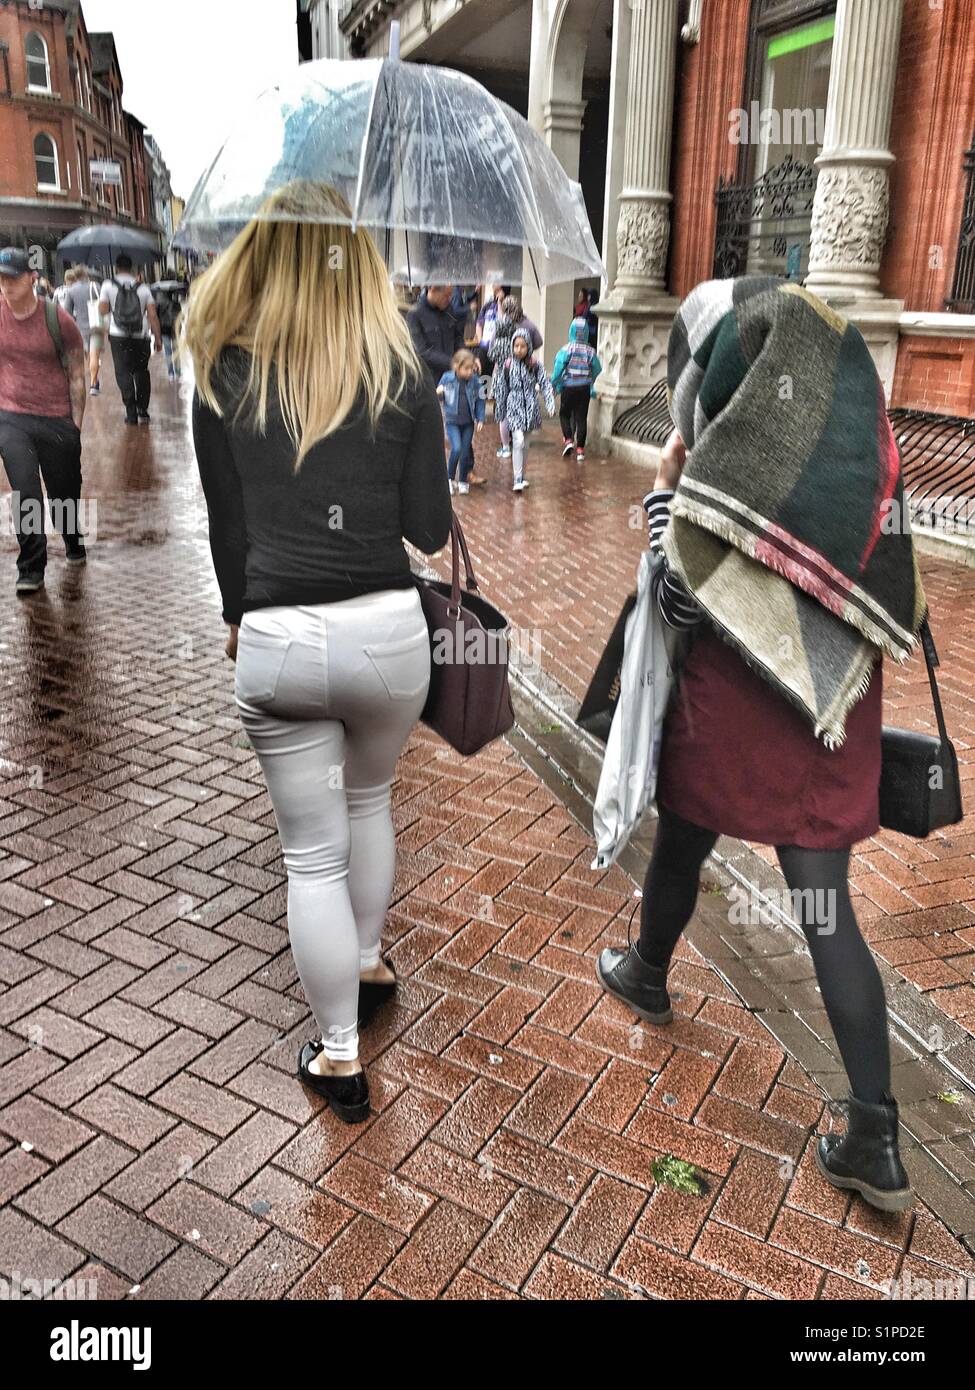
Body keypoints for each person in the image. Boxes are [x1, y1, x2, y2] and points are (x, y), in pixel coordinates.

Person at [596, 275, 926, 1213]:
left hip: (735, 721)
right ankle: (875, 1133)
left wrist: (664, 496)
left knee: (683, 837)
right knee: (825, 910)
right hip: (828, 724)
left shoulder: (726, 474)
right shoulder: (857, 474)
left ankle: (647, 971)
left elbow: (674, 599)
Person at [186, 183, 452, 1124]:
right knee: (372, 802)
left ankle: (338, 1054)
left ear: (259, 257)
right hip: (387, 634)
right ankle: (372, 960)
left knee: (310, 855)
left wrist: (235, 615)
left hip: (279, 636)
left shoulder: (221, 375)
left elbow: (227, 530)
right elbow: (427, 525)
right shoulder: (403, 372)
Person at [0, 246, 88, 595]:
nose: (5, 286)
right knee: (25, 491)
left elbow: (77, 375)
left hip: (55, 418)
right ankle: (31, 567)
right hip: (11, 417)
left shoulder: (57, 320)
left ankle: (72, 539)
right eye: (0, 279)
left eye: (12, 279)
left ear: (32, 279)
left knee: (62, 491)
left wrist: (75, 425)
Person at [99, 253, 161, 425]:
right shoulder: (143, 288)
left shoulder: (107, 285)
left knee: (123, 372)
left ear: (117, 267)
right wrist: (157, 338)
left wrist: (111, 305)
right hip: (140, 336)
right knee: (141, 371)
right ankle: (143, 408)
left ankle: (131, 412)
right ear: (131, 268)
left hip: (118, 336)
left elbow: (103, 310)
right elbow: (153, 315)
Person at [492, 324, 555, 493]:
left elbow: (545, 383)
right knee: (518, 440)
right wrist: (500, 409)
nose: (519, 349)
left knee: (525, 443)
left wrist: (550, 403)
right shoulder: (507, 365)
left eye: (522, 346)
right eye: (516, 346)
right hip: (514, 406)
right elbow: (501, 388)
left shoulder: (535, 365)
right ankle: (517, 478)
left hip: (531, 407)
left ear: (528, 346)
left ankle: (522, 474)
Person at [489, 295, 542, 460]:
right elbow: (538, 341)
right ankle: (519, 439)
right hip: (522, 372)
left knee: (503, 410)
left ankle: (506, 445)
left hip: (502, 374)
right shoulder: (526, 324)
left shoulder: (501, 327)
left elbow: (490, 351)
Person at [551, 315, 602, 463]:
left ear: (571, 331)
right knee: (581, 418)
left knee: (564, 414)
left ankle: (568, 440)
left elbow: (558, 368)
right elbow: (598, 368)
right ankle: (580, 450)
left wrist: (553, 383)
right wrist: (589, 377)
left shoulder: (566, 349)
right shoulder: (590, 351)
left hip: (569, 388)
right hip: (584, 388)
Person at [437, 347, 485, 495]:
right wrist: (439, 393)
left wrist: (480, 418)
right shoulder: (447, 378)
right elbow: (441, 397)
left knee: (465, 451)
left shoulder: (474, 381)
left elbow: (480, 399)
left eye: (471, 368)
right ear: (457, 367)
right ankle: (450, 478)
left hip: (468, 422)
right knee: (456, 448)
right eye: (466, 368)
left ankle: (463, 480)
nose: (470, 372)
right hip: (452, 421)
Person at [406, 284, 464, 380]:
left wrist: (466, 356)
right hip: (429, 379)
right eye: (446, 295)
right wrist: (452, 363)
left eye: (451, 295)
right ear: (433, 289)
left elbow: (458, 337)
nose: (449, 299)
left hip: (452, 376)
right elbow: (421, 352)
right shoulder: (415, 314)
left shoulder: (449, 310)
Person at [156, 283, 184, 381]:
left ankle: (171, 373)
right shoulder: (177, 304)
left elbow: (157, 318)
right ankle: (178, 371)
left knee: (168, 352)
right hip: (175, 330)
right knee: (176, 351)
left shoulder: (159, 304)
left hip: (164, 330)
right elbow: (181, 318)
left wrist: (156, 332)